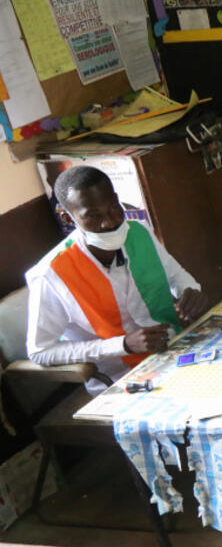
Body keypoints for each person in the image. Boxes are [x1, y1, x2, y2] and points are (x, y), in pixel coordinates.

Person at [26, 166, 208, 394]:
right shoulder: (50, 274)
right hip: (121, 378)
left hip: (176, 348)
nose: (109, 223)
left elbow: (176, 275)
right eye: (93, 216)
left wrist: (190, 290)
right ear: (67, 217)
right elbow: (40, 351)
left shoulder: (139, 232)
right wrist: (122, 345)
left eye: (114, 208)